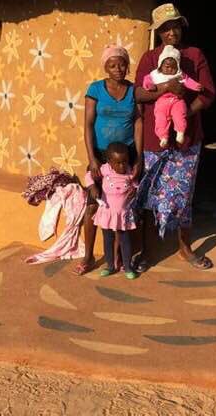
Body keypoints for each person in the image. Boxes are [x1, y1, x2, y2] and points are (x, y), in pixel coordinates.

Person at [134, 3, 216, 271]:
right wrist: (165, 90)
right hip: (154, 139)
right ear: (158, 32)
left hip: (186, 139)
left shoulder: (194, 56)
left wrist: (185, 114)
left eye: (176, 26)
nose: (172, 32)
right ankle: (146, 250)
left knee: (183, 195)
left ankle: (184, 248)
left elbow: (207, 93)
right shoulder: (149, 59)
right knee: (150, 194)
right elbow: (138, 93)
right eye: (166, 28)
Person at [73, 44, 143, 275]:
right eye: (112, 65)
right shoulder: (95, 89)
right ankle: (89, 256)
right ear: (105, 67)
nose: (118, 69)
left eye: (122, 64)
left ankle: (118, 258)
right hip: (102, 155)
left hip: (126, 156)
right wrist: (92, 159)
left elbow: (138, 123)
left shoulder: (134, 91)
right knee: (93, 203)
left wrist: (139, 157)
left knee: (124, 204)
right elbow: (88, 125)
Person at [93, 142, 139, 279]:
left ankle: (128, 267)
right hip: (107, 213)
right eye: (118, 163)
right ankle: (110, 266)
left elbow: (136, 185)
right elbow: (89, 176)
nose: (122, 166)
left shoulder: (130, 172)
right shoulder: (105, 170)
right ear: (109, 162)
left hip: (122, 214)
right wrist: (92, 188)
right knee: (108, 239)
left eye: (124, 162)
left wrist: (135, 191)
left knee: (125, 240)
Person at [143, 45, 203, 147]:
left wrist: (196, 86)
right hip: (162, 101)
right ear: (161, 65)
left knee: (180, 114)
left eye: (173, 67)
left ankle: (180, 133)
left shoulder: (179, 74)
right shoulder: (155, 74)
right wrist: (150, 86)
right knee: (160, 118)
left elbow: (188, 81)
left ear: (178, 67)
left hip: (177, 100)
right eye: (167, 67)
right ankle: (163, 137)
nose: (170, 69)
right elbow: (146, 80)